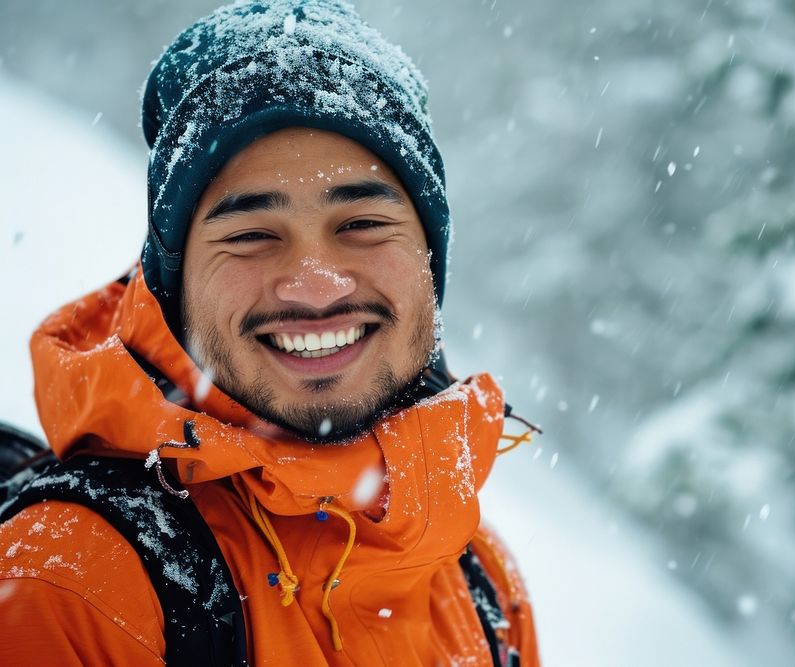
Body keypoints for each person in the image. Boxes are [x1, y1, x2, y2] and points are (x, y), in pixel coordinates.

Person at [0, 1, 539, 665]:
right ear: (173, 282)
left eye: (361, 224)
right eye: (252, 235)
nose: (315, 285)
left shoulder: (475, 568)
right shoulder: (77, 583)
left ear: (429, 258)